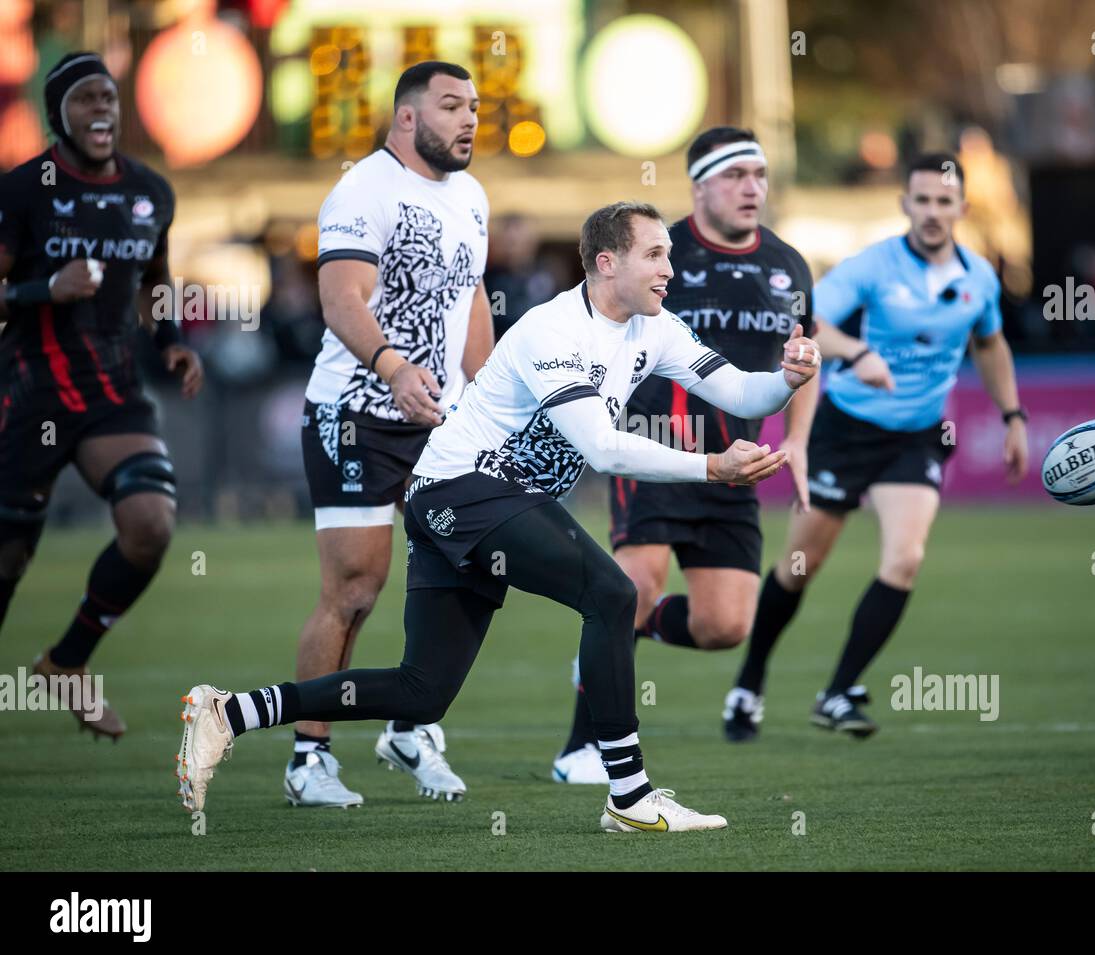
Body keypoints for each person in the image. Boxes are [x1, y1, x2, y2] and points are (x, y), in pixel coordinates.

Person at [175, 201, 821, 832]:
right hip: (463, 491)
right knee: (612, 593)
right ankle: (630, 794)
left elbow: (738, 388)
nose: (669, 270)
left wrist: (787, 379)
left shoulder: (655, 326)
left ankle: (229, 713)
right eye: (655, 255)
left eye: (670, 257)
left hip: (472, 500)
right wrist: (711, 467)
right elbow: (602, 447)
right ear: (606, 262)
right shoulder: (553, 329)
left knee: (421, 693)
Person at [725, 153, 1028, 739]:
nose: (934, 212)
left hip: (916, 437)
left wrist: (1012, 414)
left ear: (963, 208)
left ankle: (837, 692)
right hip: (846, 428)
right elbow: (811, 324)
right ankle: (750, 680)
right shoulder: (873, 266)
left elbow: (990, 346)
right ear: (905, 205)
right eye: (923, 200)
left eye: (945, 202)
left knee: (906, 559)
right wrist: (858, 353)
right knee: (799, 567)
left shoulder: (980, 277)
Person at [551, 127, 816, 782]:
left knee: (725, 625)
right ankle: (581, 748)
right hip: (654, 447)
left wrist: (801, 440)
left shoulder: (790, 266)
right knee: (634, 584)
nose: (752, 187)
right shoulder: (656, 253)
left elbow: (804, 360)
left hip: (735, 464)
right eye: (735, 176)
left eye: (758, 174)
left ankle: (616, 637)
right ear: (700, 186)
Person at [289, 61, 494, 806]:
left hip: (440, 424)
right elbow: (339, 297)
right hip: (356, 415)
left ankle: (410, 729)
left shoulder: (470, 195)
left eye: (474, 106)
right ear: (407, 118)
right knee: (355, 589)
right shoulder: (363, 189)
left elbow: (471, 300)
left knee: (466, 567)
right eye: (451, 105)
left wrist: (492, 397)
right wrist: (392, 366)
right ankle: (308, 759)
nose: (470, 118)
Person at [0, 52, 203, 739]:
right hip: (28, 389)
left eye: (109, 98)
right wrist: (40, 291)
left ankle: (65, 663)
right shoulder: (24, 190)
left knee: (151, 524)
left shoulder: (151, 191)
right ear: (59, 114)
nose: (102, 110)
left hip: (113, 389)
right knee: (10, 557)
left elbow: (155, 278)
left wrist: (171, 338)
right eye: (86, 99)